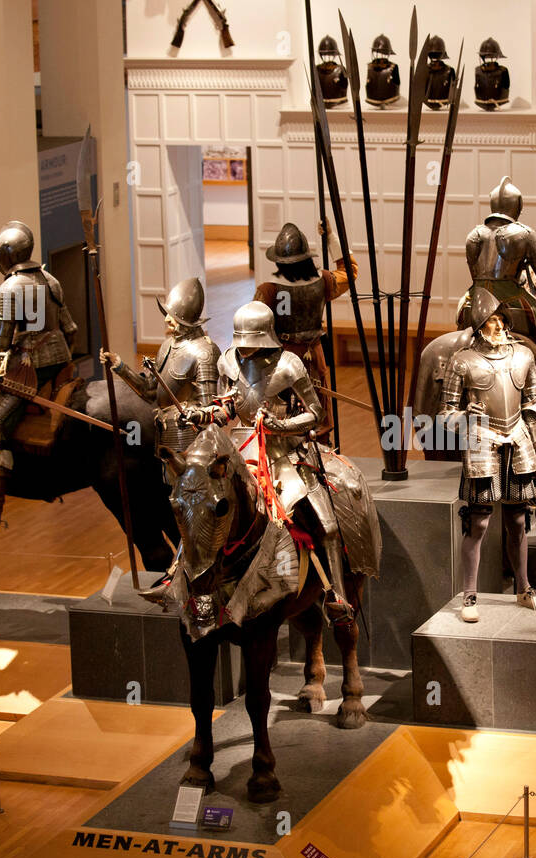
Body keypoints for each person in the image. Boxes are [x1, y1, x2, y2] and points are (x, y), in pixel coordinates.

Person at [214, 300, 354, 625]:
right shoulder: (228, 362)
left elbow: (315, 413)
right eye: (241, 342)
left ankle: (337, 598)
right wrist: (206, 413)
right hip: (242, 450)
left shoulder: (288, 365)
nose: (245, 350)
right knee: (204, 509)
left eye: (252, 343)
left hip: (287, 454)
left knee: (327, 525)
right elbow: (227, 407)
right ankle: (181, 576)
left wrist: (281, 426)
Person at [440, 288, 536, 623]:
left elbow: (533, 406)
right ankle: (470, 593)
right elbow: (445, 413)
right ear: (477, 325)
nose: (499, 326)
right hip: (480, 438)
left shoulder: (523, 356)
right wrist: (465, 417)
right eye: (491, 321)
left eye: (501, 320)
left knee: (519, 520)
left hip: (519, 438)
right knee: (478, 522)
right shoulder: (462, 361)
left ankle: (523, 588)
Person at [0, 220, 77, 528]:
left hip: (29, 367)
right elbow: (70, 329)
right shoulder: (50, 279)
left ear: (6, 256)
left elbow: (0, 341)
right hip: (59, 360)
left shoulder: (11, 287)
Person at [103, 276, 224, 483]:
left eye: (172, 316)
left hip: (190, 440)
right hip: (163, 435)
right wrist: (121, 367)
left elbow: (209, 408)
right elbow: (150, 390)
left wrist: (191, 414)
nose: (167, 319)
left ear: (185, 318)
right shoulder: (167, 346)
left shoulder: (204, 352)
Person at [254, 222, 356, 439]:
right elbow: (349, 272)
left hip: (281, 357)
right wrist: (331, 237)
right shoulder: (325, 280)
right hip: (313, 354)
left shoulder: (268, 290)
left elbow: (255, 328)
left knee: (281, 411)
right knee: (317, 407)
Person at [460, 175, 536, 354]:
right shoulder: (524, 233)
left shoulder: (474, 234)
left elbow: (474, 274)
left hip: (476, 297)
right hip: (509, 296)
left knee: (461, 312)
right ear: (517, 206)